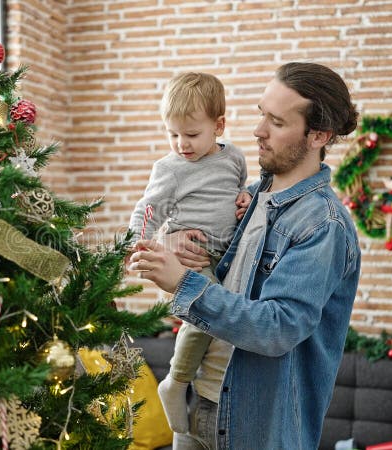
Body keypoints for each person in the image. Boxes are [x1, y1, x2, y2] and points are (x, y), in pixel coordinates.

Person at [128, 62, 361, 449]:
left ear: (319, 135)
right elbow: (223, 274)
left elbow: (278, 328)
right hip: (197, 404)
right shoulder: (247, 199)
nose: (258, 130)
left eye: (277, 122)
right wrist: (172, 242)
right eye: (260, 115)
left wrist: (184, 284)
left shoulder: (323, 225)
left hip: (253, 427)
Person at [127, 72, 251, 440]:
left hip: (224, 255)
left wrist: (244, 199)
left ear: (219, 126)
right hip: (193, 257)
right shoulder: (170, 169)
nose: (181, 144)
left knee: (217, 314)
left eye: (191, 135)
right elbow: (147, 210)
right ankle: (176, 381)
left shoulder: (234, 158)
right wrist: (140, 243)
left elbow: (236, 190)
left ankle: (182, 382)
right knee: (203, 311)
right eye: (173, 134)